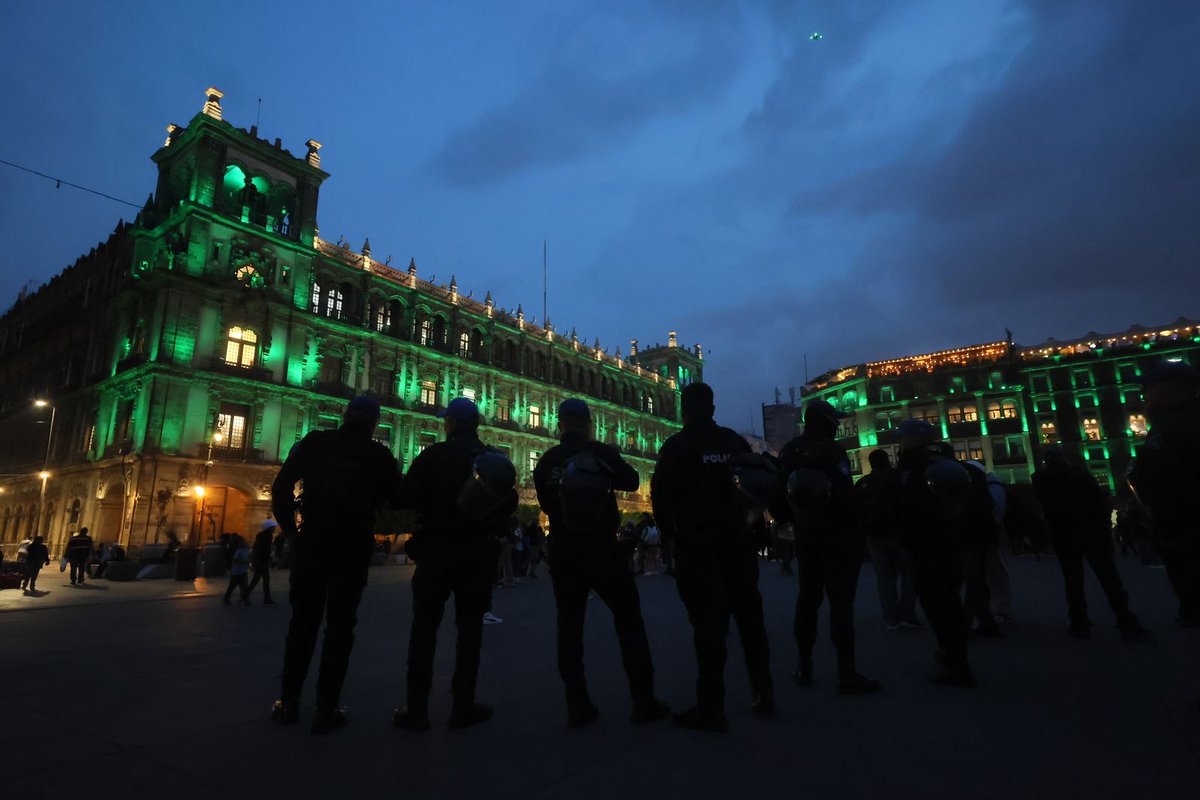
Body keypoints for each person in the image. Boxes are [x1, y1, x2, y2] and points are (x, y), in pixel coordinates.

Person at [533, 398, 670, 728]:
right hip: (602, 550)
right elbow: (632, 481)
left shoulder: (547, 460)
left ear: (559, 424)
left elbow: (547, 503)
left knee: (569, 627)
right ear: (589, 423)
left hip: (564, 552)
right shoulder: (601, 453)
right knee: (628, 621)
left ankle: (577, 706)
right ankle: (643, 700)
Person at [269, 395, 403, 735]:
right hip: (353, 546)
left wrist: (291, 532)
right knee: (341, 627)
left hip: (313, 541)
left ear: (345, 415)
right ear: (374, 422)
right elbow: (399, 499)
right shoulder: (379, 455)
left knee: (302, 623)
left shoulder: (314, 442)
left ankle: (288, 702)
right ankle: (326, 708)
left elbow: (281, 486)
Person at [652, 382, 773, 732]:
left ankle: (711, 706)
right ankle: (763, 691)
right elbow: (758, 484)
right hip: (738, 543)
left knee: (708, 627)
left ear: (683, 410)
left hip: (699, 547)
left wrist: (670, 537)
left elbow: (661, 496)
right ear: (713, 408)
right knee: (751, 620)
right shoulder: (734, 443)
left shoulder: (677, 446)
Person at [394, 398, 517, 732]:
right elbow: (509, 502)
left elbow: (404, 497)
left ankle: (417, 709)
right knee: (470, 629)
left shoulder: (432, 456)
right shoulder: (491, 458)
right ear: (476, 424)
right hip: (476, 555)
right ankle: (463, 706)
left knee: (424, 629)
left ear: (450, 424)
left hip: (435, 552)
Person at [778, 400, 880, 694]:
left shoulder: (789, 451)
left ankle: (804, 667)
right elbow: (845, 494)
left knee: (807, 600)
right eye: (834, 421)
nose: (837, 426)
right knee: (840, 603)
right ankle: (846, 673)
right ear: (823, 422)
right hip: (837, 537)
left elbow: (780, 497)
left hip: (805, 537)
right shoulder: (832, 451)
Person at [894, 419, 977, 687]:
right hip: (951, 540)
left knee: (937, 602)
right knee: (950, 598)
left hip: (926, 543)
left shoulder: (913, 465)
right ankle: (955, 651)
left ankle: (955, 660)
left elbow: (907, 504)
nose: (900, 442)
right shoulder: (947, 459)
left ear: (915, 439)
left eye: (904, 437)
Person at [1033, 448, 1148, 640]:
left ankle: (1079, 622)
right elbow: (1099, 502)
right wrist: (1104, 527)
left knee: (1073, 581)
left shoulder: (1040, 479)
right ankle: (1124, 617)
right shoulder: (1079, 474)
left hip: (1063, 536)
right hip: (1091, 533)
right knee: (1108, 577)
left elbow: (1043, 507)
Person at [1129, 361, 1200, 627]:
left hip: (1183, 520)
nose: (1145, 396)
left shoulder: (1171, 425)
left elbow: (1161, 473)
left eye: (1149, 388)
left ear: (1171, 388)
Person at [856, 449, 919, 629]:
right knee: (909, 575)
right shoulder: (899, 479)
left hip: (874, 535)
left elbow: (856, 512)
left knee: (884, 577)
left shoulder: (863, 483)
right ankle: (907, 613)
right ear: (887, 460)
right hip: (899, 534)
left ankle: (890, 616)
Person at [960, 461, 1002, 638]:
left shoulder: (967, 491)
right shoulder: (985, 489)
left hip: (970, 537)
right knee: (976, 577)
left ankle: (978, 619)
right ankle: (979, 617)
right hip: (984, 536)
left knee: (972, 578)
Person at [982, 468, 1015, 624]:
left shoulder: (992, 487)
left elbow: (997, 511)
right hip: (991, 534)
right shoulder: (994, 486)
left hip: (993, 535)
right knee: (994, 573)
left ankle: (1003, 609)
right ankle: (997, 608)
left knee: (997, 572)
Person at [245, 519, 277, 604]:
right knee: (264, 579)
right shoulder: (268, 536)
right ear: (269, 528)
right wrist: (269, 557)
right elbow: (265, 549)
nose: (274, 528)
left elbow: (259, 547)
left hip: (259, 560)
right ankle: (266, 598)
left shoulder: (261, 535)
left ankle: (245, 595)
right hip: (262, 561)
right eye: (273, 527)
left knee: (257, 579)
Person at [223, 535, 252, 606]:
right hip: (236, 572)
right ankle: (226, 598)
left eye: (243, 541)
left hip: (243, 571)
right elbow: (235, 559)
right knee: (232, 586)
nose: (243, 542)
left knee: (244, 586)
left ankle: (245, 599)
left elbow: (248, 559)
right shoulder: (238, 551)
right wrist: (242, 561)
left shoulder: (246, 550)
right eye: (241, 542)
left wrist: (249, 566)